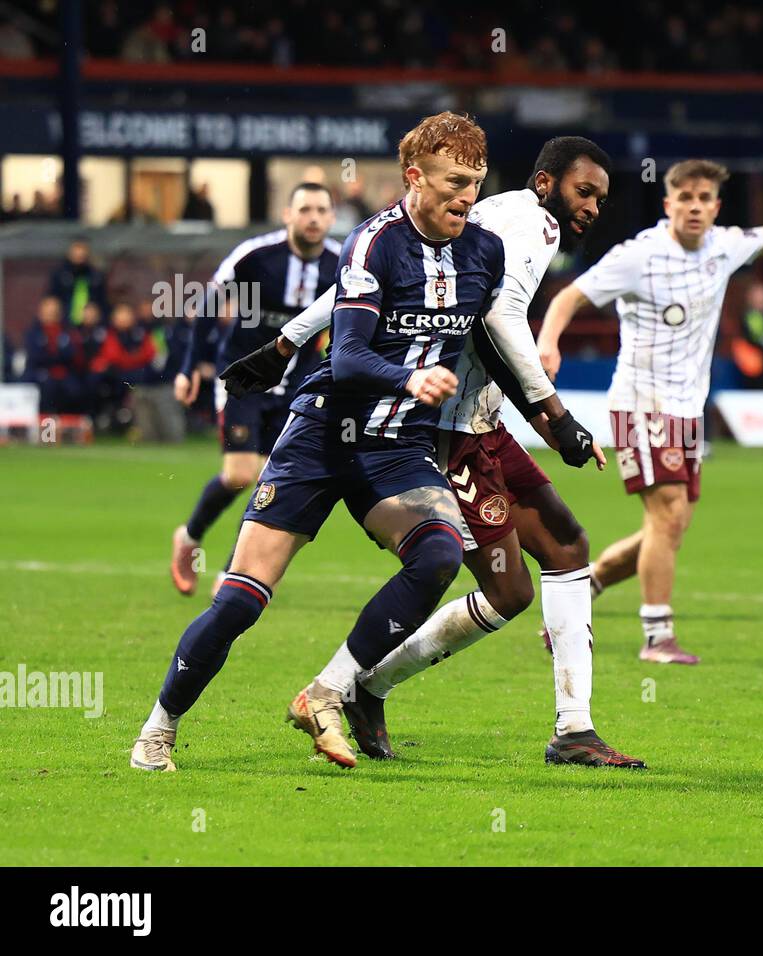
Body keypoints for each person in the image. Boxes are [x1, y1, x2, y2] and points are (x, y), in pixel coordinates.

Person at [221, 137, 643, 768]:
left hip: (483, 418)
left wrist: (286, 342)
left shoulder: (494, 217)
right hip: (447, 429)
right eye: (584, 193)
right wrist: (554, 414)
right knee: (506, 590)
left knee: (565, 546)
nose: (592, 208)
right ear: (547, 182)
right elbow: (498, 320)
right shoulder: (524, 226)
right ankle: (349, 685)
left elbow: (353, 292)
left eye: (601, 200)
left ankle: (573, 728)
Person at [130, 112, 497, 773]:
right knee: (241, 601)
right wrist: (405, 375)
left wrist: (546, 412)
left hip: (393, 445)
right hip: (323, 431)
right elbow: (351, 356)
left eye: (477, 181)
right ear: (415, 177)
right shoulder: (369, 242)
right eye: (455, 181)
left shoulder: (481, 249)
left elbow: (494, 339)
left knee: (440, 554)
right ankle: (159, 726)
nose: (468, 195)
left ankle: (327, 690)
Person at [538, 152, 763, 664]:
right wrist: (549, 342)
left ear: (716, 206)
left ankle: (581, 593)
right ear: (668, 203)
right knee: (667, 512)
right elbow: (570, 297)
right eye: (685, 199)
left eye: (704, 199)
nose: (694, 208)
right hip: (641, 402)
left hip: (687, 408)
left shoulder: (723, 247)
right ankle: (657, 638)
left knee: (671, 525)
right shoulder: (640, 255)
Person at [168, 182, 339, 598]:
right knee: (239, 476)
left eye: (321, 210)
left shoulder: (341, 263)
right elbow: (209, 305)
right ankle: (189, 539)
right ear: (287, 215)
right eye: (305, 209)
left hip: (297, 387)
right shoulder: (255, 256)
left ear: (331, 218)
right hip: (243, 380)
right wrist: (190, 368)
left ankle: (232, 571)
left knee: (270, 481)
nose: (313, 218)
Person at [89, 303, 157, 430]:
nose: (123, 318)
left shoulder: (140, 333)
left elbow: (150, 353)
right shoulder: (107, 334)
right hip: (115, 376)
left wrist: (128, 360)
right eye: (120, 315)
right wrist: (132, 358)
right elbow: (110, 356)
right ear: (113, 318)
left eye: (126, 314)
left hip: (136, 375)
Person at [21, 295, 88, 414]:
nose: (51, 316)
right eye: (48, 312)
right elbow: (36, 356)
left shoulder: (68, 332)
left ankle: (69, 419)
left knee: (74, 387)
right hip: (38, 372)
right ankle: (45, 417)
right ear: (40, 313)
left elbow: (71, 354)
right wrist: (55, 356)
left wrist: (55, 356)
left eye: (54, 313)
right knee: (46, 383)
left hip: (63, 373)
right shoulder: (33, 332)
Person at [47, 238, 109, 326]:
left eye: (82, 250)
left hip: (90, 323)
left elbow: (102, 301)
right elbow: (52, 297)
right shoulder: (59, 274)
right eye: (76, 250)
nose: (79, 254)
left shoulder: (96, 276)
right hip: (64, 321)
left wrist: (94, 311)